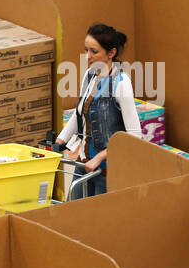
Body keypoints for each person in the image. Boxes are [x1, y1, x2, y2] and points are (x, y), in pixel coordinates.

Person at [55, 23, 142, 199]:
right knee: (74, 209)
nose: (88, 56)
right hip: (84, 163)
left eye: (94, 51)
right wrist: (58, 142)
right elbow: (78, 115)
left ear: (111, 53)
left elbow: (134, 135)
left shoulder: (121, 83)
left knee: (101, 219)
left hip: (108, 170)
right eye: (86, 50)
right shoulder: (89, 75)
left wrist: (100, 158)